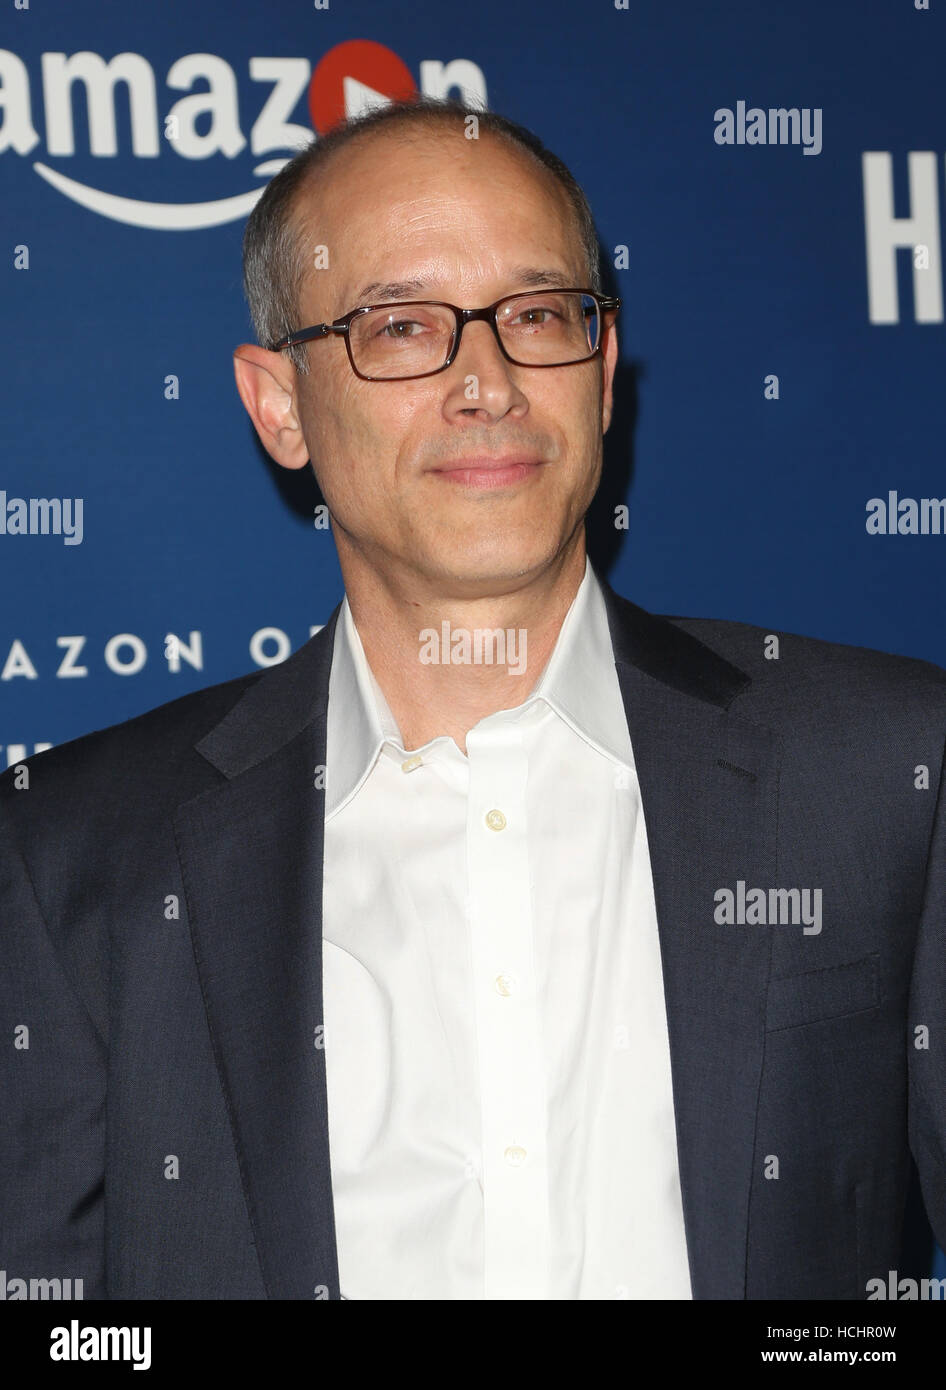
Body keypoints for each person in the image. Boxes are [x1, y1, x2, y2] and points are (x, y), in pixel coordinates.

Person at [2, 97, 944, 1301]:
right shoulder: (69, 854)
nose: (487, 383)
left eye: (539, 315)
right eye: (400, 328)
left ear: (601, 373)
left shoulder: (885, 773)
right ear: (278, 403)